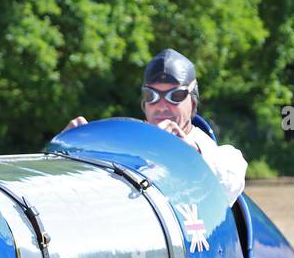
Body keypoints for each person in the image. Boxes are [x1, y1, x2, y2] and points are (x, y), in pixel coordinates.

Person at [63, 48, 247, 204]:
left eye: (175, 96)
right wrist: (68, 152)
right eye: (152, 95)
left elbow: (230, 179)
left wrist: (192, 154)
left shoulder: (214, 153)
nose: (161, 105)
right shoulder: (125, 145)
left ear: (193, 101)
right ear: (144, 103)